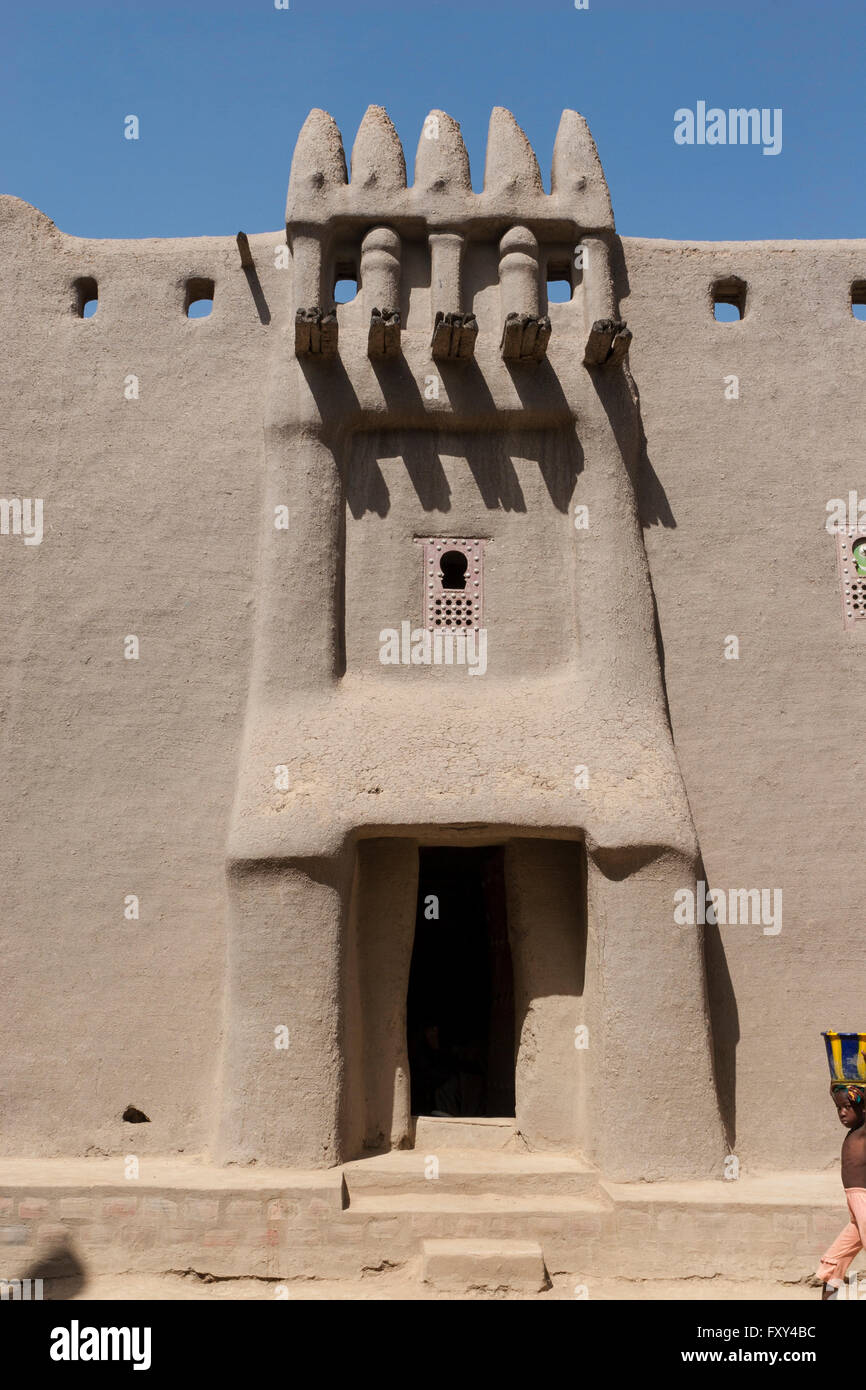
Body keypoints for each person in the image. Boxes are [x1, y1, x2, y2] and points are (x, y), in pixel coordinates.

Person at [815, 1082, 866, 1299]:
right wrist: (837, 1078)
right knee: (833, 1262)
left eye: (847, 1107)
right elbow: (835, 1091)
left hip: (863, 1202)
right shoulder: (855, 1132)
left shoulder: (863, 1131)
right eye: (839, 1108)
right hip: (856, 1211)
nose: (842, 1113)